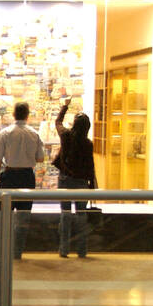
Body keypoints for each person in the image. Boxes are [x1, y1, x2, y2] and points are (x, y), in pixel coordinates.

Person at [0, 101, 45, 261]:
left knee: (0, 215)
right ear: (28, 115)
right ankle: (16, 252)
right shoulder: (34, 134)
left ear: (14, 114)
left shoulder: (5, 133)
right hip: (27, 178)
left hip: (9, 177)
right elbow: (40, 158)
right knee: (23, 217)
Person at [52, 98, 97, 258]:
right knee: (81, 214)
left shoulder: (65, 136)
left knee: (64, 214)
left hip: (65, 179)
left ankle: (63, 249)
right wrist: (92, 185)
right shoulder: (88, 144)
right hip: (81, 182)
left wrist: (65, 106)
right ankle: (82, 250)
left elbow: (57, 122)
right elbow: (90, 166)